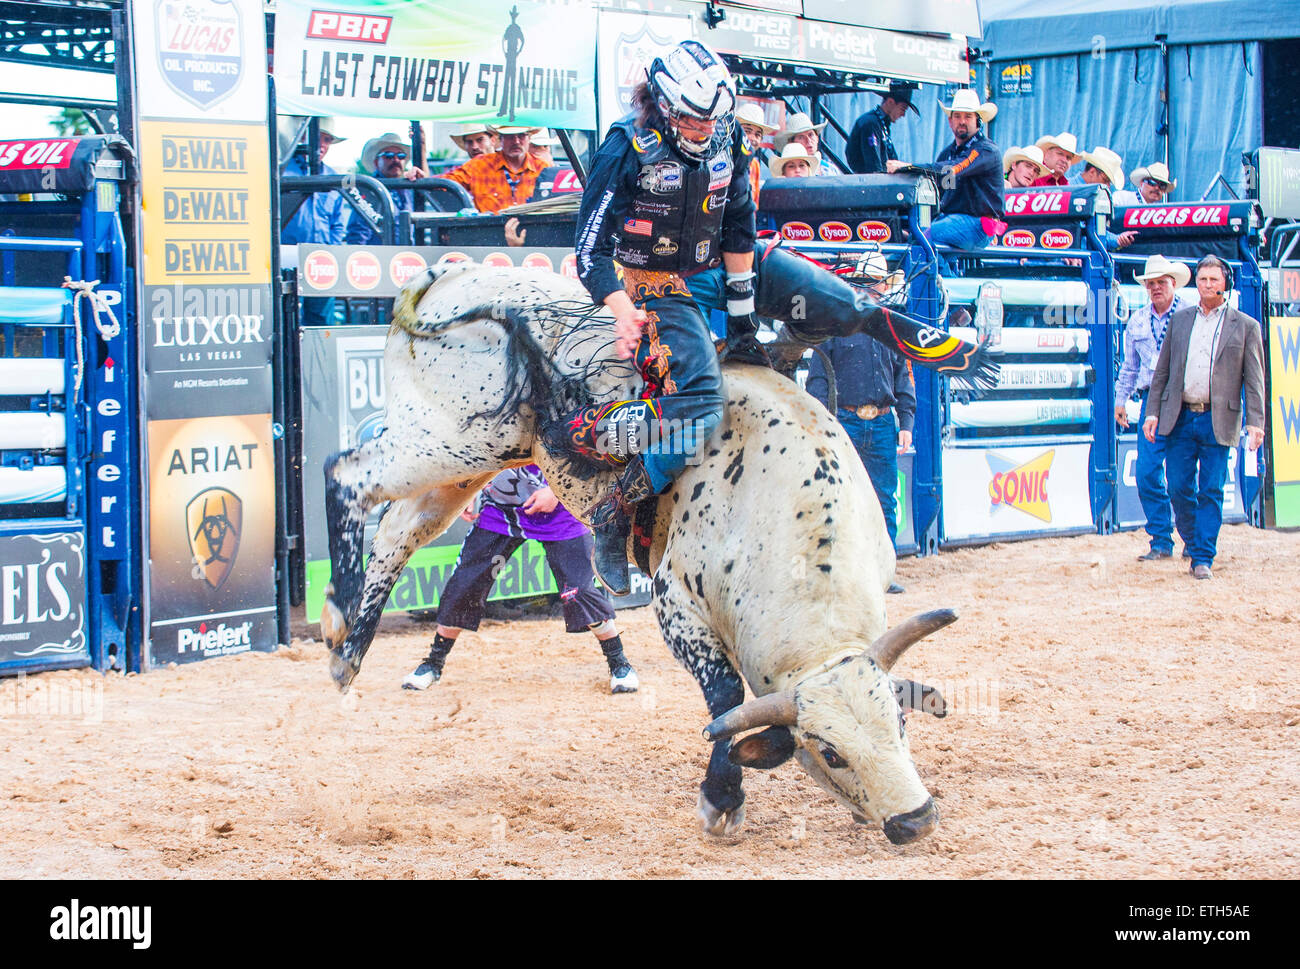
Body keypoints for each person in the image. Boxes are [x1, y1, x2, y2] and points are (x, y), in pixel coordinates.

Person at [551, 40, 992, 595]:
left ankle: (920, 345)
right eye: (690, 118)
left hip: (724, 261)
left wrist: (740, 317)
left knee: (842, 299)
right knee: (700, 406)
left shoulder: (727, 135)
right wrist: (620, 310)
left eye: (710, 119)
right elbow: (590, 248)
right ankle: (616, 507)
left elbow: (738, 220)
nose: (701, 129)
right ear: (663, 106)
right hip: (653, 278)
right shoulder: (625, 145)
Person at [402, 465, 639, 693]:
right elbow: (475, 451)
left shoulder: (555, 422)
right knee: (465, 586)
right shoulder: (488, 422)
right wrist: (467, 490)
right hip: (500, 513)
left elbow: (590, 456)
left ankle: (619, 663)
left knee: (579, 591)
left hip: (561, 512)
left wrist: (556, 492)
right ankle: (433, 663)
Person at [1143, 255, 1266, 579]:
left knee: (1210, 489)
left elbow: (1254, 380)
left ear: (1225, 283)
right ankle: (1195, 542)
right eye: (1202, 279)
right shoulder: (1181, 321)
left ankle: (1202, 559)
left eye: (1213, 279)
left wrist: (1256, 422)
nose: (1207, 284)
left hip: (1218, 418)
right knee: (1178, 487)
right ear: (1195, 283)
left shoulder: (1246, 326)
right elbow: (1163, 372)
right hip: (1180, 416)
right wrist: (1153, 411)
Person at [804, 253, 914, 593]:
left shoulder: (888, 328)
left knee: (883, 497)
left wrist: (906, 421)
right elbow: (818, 379)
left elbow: (901, 378)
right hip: (848, 422)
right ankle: (844, 571)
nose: (876, 293)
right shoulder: (835, 328)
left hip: (879, 422)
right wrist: (826, 421)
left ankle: (882, 571)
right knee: (839, 498)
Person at [1115, 255, 1192, 561]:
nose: (1156, 287)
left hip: (1184, 400)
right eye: (1151, 283)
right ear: (1145, 287)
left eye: (1162, 282)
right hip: (1151, 400)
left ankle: (1190, 537)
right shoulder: (1137, 320)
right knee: (1147, 472)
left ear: (1173, 284)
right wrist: (1121, 399)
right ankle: (1161, 538)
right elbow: (1130, 367)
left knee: (1181, 475)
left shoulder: (1190, 314)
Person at [891, 89, 1002, 252]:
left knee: (921, 239)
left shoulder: (985, 150)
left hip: (977, 223)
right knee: (920, 240)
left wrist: (908, 167)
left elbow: (954, 169)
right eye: (957, 116)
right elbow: (943, 190)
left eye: (968, 116)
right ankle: (946, 276)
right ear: (950, 121)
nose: (962, 121)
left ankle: (937, 277)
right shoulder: (949, 153)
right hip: (955, 220)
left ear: (978, 121)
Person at [281, 116, 348, 326]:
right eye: (317, 137)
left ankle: (319, 359)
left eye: (327, 139)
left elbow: (339, 223)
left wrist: (330, 252)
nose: (321, 145)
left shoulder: (333, 175)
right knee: (287, 319)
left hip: (320, 261)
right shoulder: (281, 169)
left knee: (320, 323)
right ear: (301, 136)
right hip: (285, 260)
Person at [345, 132, 428, 245]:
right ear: (376, 162)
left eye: (401, 156)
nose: (396, 160)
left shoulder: (409, 188)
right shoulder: (369, 189)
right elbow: (359, 233)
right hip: (378, 258)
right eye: (388, 156)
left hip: (407, 256)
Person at [445, 123, 546, 214]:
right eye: (509, 136)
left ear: (529, 138)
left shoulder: (543, 168)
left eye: (521, 135)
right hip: (490, 232)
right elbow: (439, 184)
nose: (516, 141)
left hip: (533, 232)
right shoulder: (477, 166)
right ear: (500, 139)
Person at [846, 82, 918, 175]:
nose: (903, 115)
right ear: (890, 102)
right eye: (902, 109)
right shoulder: (871, 123)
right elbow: (873, 165)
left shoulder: (881, 123)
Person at [1078, 146, 1137, 249]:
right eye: (1105, 180)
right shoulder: (1067, 188)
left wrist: (1118, 239)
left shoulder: (1096, 196)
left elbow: (1099, 232)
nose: (1108, 186)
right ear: (1092, 172)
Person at [735, 102, 776, 202]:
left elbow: (754, 203)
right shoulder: (725, 159)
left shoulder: (755, 165)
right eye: (747, 131)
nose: (752, 138)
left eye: (757, 135)